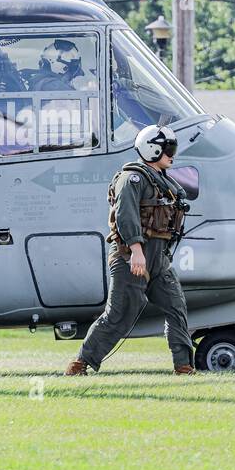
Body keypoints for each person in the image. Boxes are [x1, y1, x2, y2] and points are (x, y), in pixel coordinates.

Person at [64, 124, 195, 375]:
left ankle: (184, 366)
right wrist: (136, 251)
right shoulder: (132, 179)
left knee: (176, 306)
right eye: (168, 149)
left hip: (158, 258)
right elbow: (126, 215)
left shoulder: (163, 182)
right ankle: (81, 363)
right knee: (120, 314)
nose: (172, 154)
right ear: (153, 149)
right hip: (131, 256)